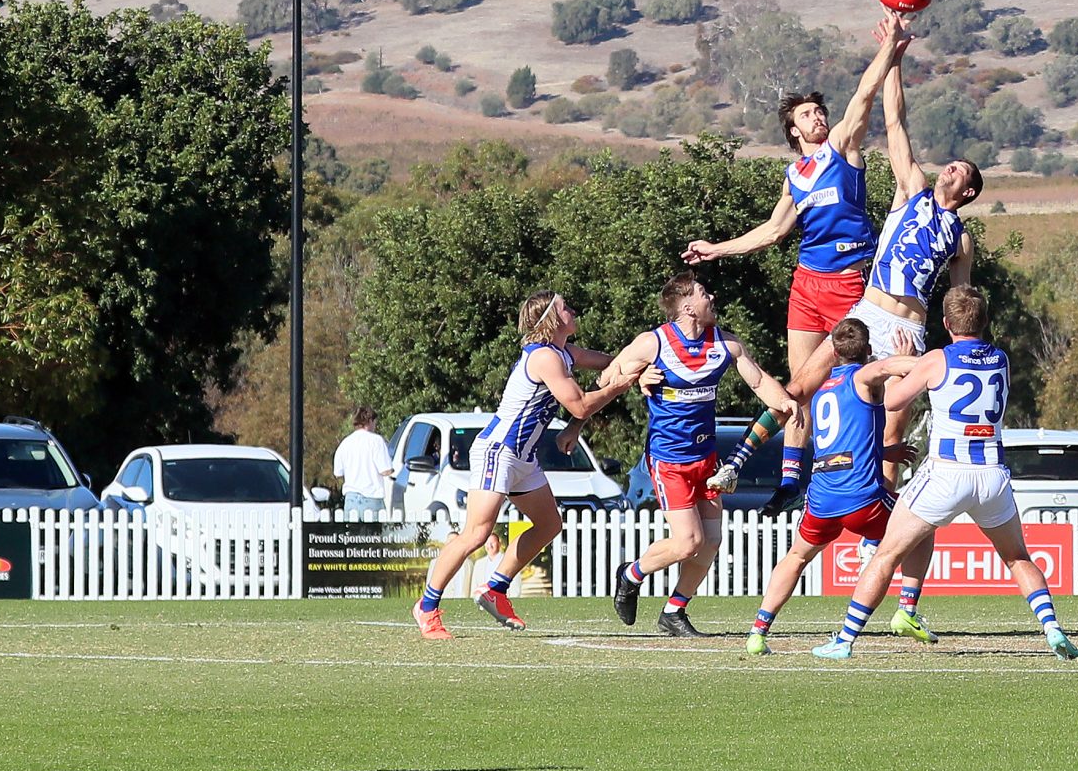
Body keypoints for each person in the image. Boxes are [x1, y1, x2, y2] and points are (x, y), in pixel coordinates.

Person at [688, 15, 910, 505]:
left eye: (818, 111)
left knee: (862, 383)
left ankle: (878, 474)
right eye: (808, 114)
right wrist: (716, 248)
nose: (818, 117)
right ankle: (790, 482)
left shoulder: (843, 151)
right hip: (808, 286)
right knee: (796, 390)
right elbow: (772, 232)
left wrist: (890, 49)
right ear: (793, 130)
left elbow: (863, 98)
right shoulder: (796, 176)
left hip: (850, 286)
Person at [812, 287, 1078, 662]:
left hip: (947, 472)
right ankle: (1052, 629)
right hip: (992, 475)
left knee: (885, 554)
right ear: (984, 322)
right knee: (1018, 557)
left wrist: (908, 360)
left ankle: (844, 640)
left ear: (946, 324)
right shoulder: (1001, 358)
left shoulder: (937, 359)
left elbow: (892, 401)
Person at [413, 292, 641, 637]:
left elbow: (611, 364)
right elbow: (579, 406)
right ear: (551, 319)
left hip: (523, 456)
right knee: (476, 532)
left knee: (549, 524)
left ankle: (495, 590)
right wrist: (621, 384)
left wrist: (642, 364)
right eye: (566, 307)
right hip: (498, 450)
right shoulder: (545, 357)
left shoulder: (564, 353)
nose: (574, 310)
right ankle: (427, 607)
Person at [610, 273, 797, 637]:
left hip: (707, 461)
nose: (710, 296)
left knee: (710, 542)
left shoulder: (725, 344)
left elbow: (759, 382)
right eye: (702, 292)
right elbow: (608, 376)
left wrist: (786, 401)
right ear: (687, 306)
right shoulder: (654, 343)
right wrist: (636, 378)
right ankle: (630, 575)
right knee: (688, 542)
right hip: (669, 460)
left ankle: (673, 612)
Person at [742, 319, 934, 654]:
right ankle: (907, 610)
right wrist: (930, 363)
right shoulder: (863, 378)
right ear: (868, 350)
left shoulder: (820, 393)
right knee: (923, 524)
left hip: (822, 500)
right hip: (861, 499)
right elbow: (889, 367)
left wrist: (886, 452)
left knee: (796, 557)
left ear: (832, 352)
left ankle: (758, 631)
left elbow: (844, 445)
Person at [332, 406, 392, 516]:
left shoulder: (345, 443)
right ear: (369, 421)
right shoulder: (376, 440)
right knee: (372, 533)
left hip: (351, 499)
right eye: (374, 423)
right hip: (372, 498)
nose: (375, 426)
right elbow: (385, 471)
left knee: (353, 533)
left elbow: (338, 473)